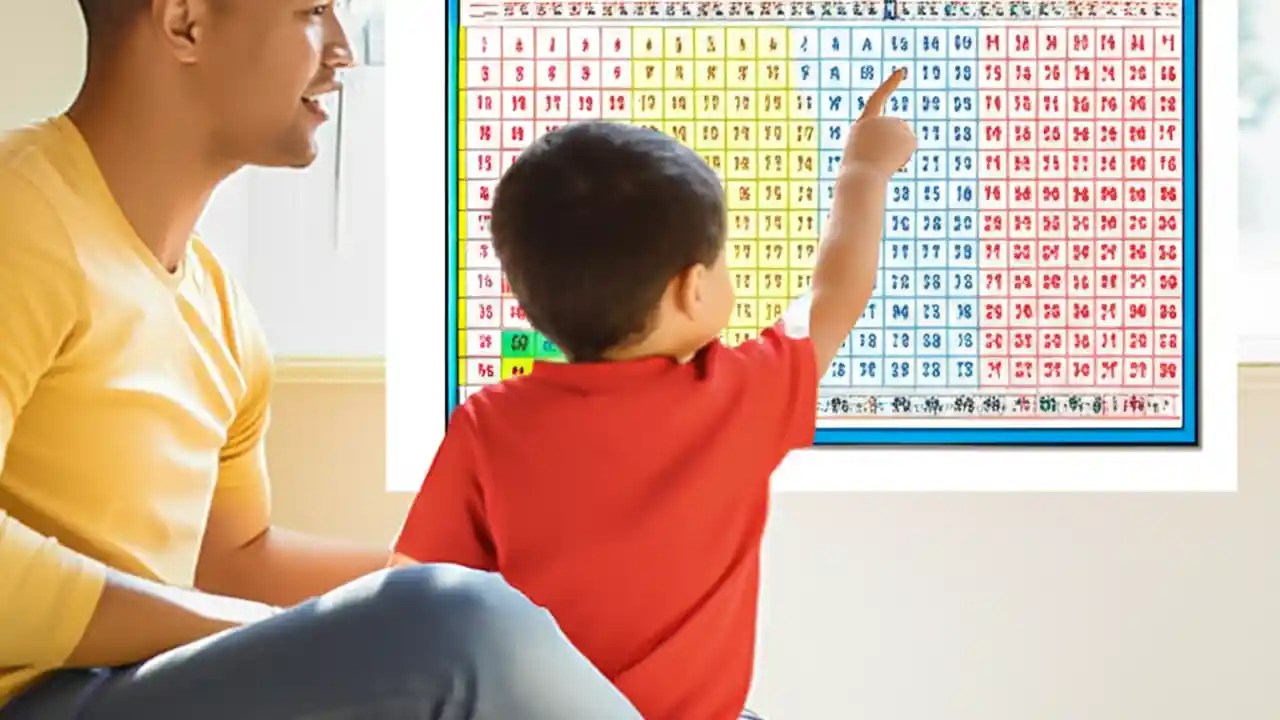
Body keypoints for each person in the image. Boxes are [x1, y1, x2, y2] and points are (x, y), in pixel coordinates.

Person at [0, 1, 642, 718]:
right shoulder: (19, 213)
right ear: (185, 22)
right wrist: (361, 628)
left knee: (488, 616)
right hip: (38, 696)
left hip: (135, 687)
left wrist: (519, 583)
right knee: (455, 627)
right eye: (311, 11)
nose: (343, 52)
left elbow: (235, 558)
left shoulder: (218, 305)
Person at [392, 70, 918, 719]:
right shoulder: (739, 394)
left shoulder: (488, 424)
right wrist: (865, 170)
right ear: (692, 288)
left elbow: (418, 591)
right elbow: (838, 293)